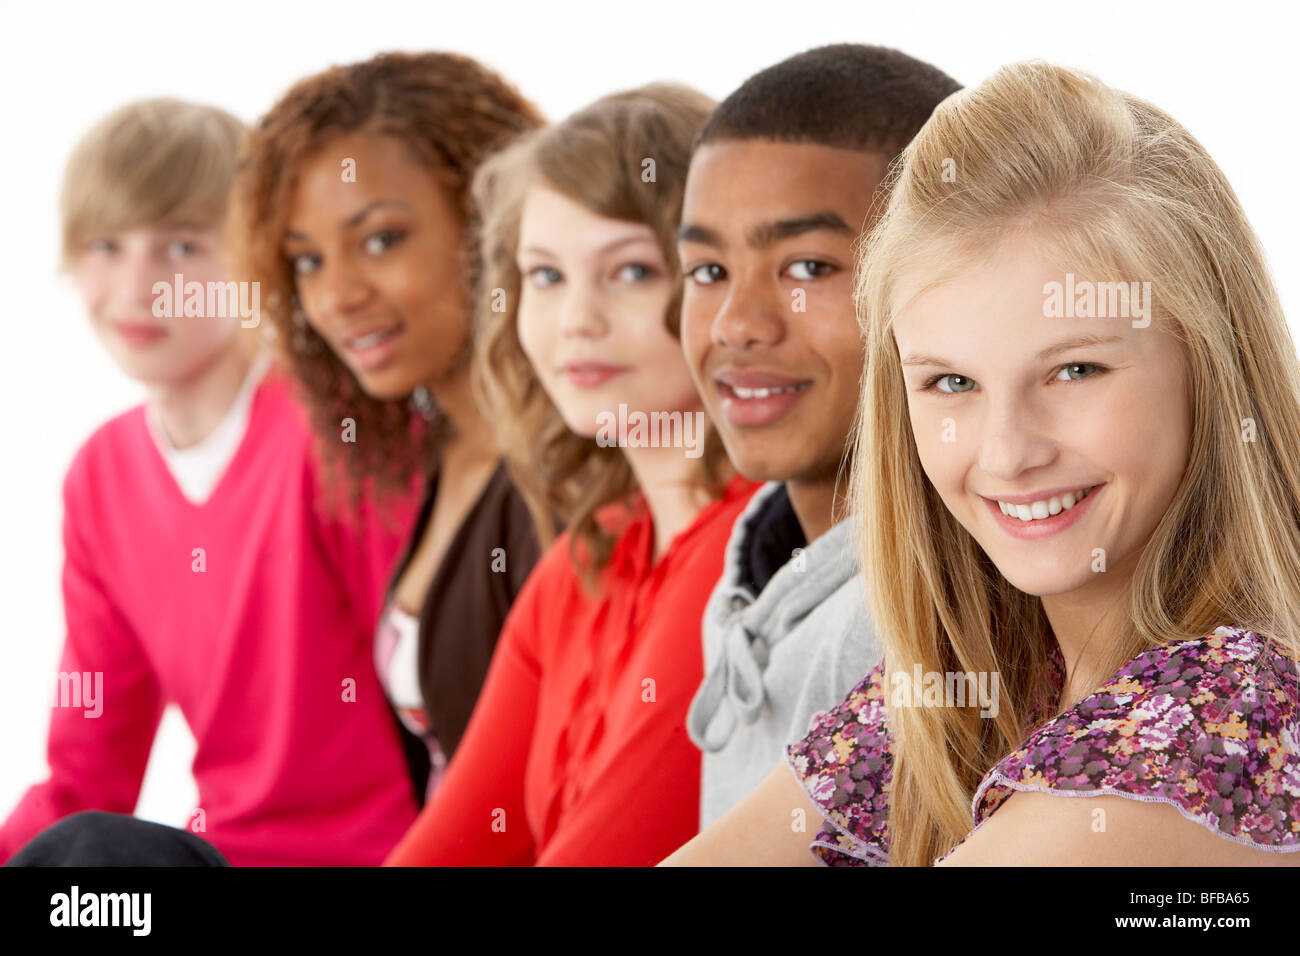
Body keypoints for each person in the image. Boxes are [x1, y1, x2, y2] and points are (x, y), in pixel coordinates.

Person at [663, 61, 1300, 866]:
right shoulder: (975, 684)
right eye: (951, 382)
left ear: (1212, 363)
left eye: (1074, 371)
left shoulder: (1229, 716)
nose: (1006, 451)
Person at [0, 98, 419, 866]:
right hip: (221, 859)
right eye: (106, 245)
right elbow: (89, 769)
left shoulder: (339, 434)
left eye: (183, 247)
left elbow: (441, 710)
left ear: (253, 259)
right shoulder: (101, 477)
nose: (137, 286)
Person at [384, 84, 759, 866]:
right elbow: (450, 849)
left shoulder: (741, 550)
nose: (575, 320)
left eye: (628, 272)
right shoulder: (584, 561)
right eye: (545, 277)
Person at [229, 51, 547, 804]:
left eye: (380, 240)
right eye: (305, 261)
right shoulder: (434, 455)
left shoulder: (564, 465)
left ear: (488, 220)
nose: (336, 296)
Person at [677, 43, 961, 826]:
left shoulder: (932, 611)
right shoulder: (756, 563)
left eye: (807, 268)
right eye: (707, 271)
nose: (737, 324)